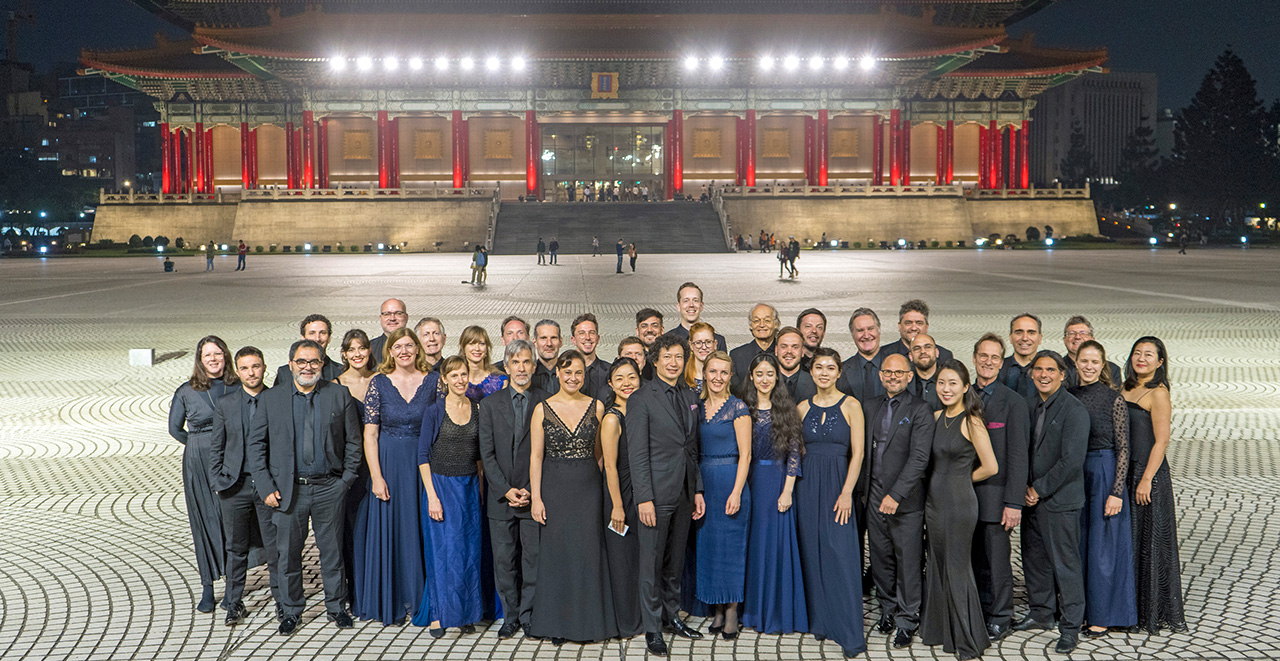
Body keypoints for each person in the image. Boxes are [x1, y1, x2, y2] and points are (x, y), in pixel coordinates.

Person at [246, 339, 363, 636]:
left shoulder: (339, 395)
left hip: (329, 488)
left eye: (314, 361)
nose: (307, 367)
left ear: (322, 364)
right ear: (291, 365)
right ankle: (290, 610)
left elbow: (354, 441)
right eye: (301, 361)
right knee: (287, 555)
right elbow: (256, 446)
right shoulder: (271, 399)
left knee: (332, 553)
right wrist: (265, 486)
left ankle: (336, 607)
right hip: (288, 491)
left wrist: (345, 481)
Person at [528, 351, 618, 644]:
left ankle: (589, 624)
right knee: (557, 555)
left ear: (585, 375)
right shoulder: (542, 409)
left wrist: (599, 486)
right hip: (554, 489)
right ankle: (558, 624)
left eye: (578, 372)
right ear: (558, 374)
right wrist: (537, 498)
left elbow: (600, 454)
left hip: (588, 489)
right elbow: (536, 457)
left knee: (588, 553)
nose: (573, 378)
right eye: (567, 372)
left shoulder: (597, 406)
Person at [352, 328, 438, 625]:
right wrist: (376, 476)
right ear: (389, 351)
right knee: (394, 528)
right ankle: (395, 598)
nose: (404, 351)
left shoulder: (434, 381)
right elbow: (370, 435)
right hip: (389, 463)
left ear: (417, 348)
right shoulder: (379, 383)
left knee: (420, 527)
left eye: (409, 345)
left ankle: (423, 597)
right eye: (398, 346)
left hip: (423, 462)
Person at [627, 334, 707, 656]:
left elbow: (692, 448)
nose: (673, 363)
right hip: (655, 495)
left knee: (674, 562)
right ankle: (652, 627)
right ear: (655, 360)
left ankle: (672, 616)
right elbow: (637, 453)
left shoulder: (690, 395)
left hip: (684, 490)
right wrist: (643, 497)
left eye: (678, 357)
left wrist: (697, 488)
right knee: (651, 563)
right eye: (667, 357)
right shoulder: (641, 398)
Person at [920, 361, 999, 660]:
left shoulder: (972, 420)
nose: (946, 389)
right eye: (941, 382)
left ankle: (968, 639)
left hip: (959, 502)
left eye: (953, 383)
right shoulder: (936, 417)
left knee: (957, 566)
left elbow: (991, 466)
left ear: (966, 387)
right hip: (934, 501)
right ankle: (941, 631)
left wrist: (962, 479)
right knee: (938, 563)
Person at [1013, 350, 1089, 655]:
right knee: (1034, 560)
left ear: (1062, 374)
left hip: (1059, 501)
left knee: (1065, 565)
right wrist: (1023, 488)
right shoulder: (1029, 405)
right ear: (1032, 373)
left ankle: (1071, 626)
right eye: (1039, 370)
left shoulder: (1074, 410)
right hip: (1031, 499)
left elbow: (1072, 461)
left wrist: (1038, 489)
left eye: (1050, 370)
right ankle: (1041, 612)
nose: (1044, 375)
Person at [793, 348, 866, 658]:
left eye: (830, 367)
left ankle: (849, 631)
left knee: (840, 553)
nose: (824, 372)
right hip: (807, 486)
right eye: (819, 367)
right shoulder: (801, 408)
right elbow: (794, 453)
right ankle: (820, 621)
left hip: (838, 484)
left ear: (839, 372)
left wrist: (847, 491)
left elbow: (858, 453)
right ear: (811, 372)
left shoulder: (851, 405)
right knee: (811, 551)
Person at [414, 356, 492, 637]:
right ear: (444, 379)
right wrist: (432, 497)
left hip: (469, 488)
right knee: (442, 553)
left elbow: (479, 455)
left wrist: (480, 487)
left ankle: (464, 613)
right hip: (441, 487)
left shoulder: (478, 408)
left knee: (468, 552)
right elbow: (423, 456)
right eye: (454, 375)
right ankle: (438, 614)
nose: (460, 380)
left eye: (463, 374)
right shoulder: (435, 411)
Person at [863, 352, 935, 648]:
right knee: (880, 557)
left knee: (908, 561)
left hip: (905, 500)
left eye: (899, 372)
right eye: (888, 372)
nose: (893, 377)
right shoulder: (870, 406)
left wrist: (896, 494)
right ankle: (888, 609)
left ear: (909, 376)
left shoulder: (921, 409)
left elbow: (919, 459)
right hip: (873, 495)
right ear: (881, 375)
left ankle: (907, 619)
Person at [1069, 340, 1137, 638]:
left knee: (1103, 549)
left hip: (1104, 472)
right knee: (1080, 544)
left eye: (1094, 362)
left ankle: (1104, 615)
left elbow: (1123, 449)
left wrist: (1116, 491)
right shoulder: (1069, 396)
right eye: (1084, 361)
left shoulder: (1113, 399)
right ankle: (1082, 610)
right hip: (1076, 473)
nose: (1089, 366)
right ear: (1075, 363)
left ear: (1103, 365)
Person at [478, 339, 546, 639]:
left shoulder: (545, 401)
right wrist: (506, 490)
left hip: (534, 496)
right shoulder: (490, 405)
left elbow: (548, 453)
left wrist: (530, 489)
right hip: (501, 497)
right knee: (504, 562)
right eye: (515, 362)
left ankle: (529, 615)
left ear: (534, 366)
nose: (521, 368)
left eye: (526, 362)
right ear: (506, 367)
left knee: (533, 560)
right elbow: (487, 454)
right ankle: (511, 616)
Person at [209, 346, 279, 625]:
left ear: (264, 368)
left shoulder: (276, 400)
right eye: (245, 368)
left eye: (256, 366)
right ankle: (233, 602)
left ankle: (283, 602)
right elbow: (217, 447)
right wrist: (218, 482)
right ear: (237, 372)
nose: (251, 373)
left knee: (275, 548)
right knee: (236, 549)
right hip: (234, 486)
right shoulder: (225, 404)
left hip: (268, 487)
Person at [1121, 337, 1187, 634]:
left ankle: (1149, 610)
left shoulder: (1158, 393)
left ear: (1160, 362)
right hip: (1125, 472)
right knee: (1130, 541)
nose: (1141, 358)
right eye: (1137, 353)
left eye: (1149, 354)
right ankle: (1126, 605)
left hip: (1148, 475)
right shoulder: (1124, 388)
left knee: (1149, 543)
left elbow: (1161, 441)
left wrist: (1146, 479)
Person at [169, 335, 238, 613]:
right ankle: (207, 586)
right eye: (207, 355)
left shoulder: (237, 386)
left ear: (226, 356)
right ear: (200, 359)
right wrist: (198, 446)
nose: (213, 359)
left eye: (217, 353)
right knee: (204, 521)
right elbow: (175, 429)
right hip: (199, 463)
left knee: (230, 520)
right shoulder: (186, 391)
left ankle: (234, 584)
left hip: (232, 460)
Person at [740, 353, 807, 635]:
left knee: (776, 547)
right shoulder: (742, 408)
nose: (764, 379)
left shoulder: (786, 409)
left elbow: (794, 453)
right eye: (759, 374)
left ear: (776, 377)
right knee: (753, 546)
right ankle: (752, 610)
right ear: (751, 377)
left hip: (777, 484)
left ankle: (776, 611)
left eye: (770, 374)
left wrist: (788, 491)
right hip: (749, 481)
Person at [969, 333, 1030, 642]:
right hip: (966, 498)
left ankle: (1001, 616)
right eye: (983, 355)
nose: (988, 362)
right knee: (974, 560)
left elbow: (1019, 456)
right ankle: (979, 611)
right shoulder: (962, 394)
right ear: (974, 358)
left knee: (997, 563)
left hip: (996, 498)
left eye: (995, 357)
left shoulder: (1013, 402)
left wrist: (1014, 502)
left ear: (1001, 362)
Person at [694, 352, 752, 639]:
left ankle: (732, 612)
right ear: (705, 374)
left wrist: (737, 491)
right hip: (705, 483)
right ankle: (716, 607)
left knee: (731, 549)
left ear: (730, 376)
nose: (717, 377)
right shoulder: (697, 407)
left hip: (730, 480)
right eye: (713, 371)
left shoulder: (738, 407)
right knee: (710, 549)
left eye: (723, 372)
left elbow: (746, 455)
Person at [600, 358, 645, 637]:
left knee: (639, 558)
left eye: (631, 377)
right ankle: (626, 622)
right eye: (619, 378)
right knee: (622, 559)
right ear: (610, 384)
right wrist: (617, 506)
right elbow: (609, 465)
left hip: (641, 490)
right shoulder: (612, 419)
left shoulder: (641, 410)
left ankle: (641, 617)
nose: (627, 383)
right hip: (621, 493)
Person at [335, 328, 375, 607]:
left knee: (377, 527)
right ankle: (355, 590)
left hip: (378, 464)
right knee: (351, 528)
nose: (357, 354)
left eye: (362, 348)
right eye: (351, 349)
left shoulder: (381, 380)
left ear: (369, 350)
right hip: (350, 467)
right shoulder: (336, 385)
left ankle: (377, 585)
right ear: (345, 354)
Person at [275, 314, 343, 386]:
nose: (317, 338)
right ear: (303, 337)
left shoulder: (340, 371)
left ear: (329, 338)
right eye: (312, 333)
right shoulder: (284, 372)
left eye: (322, 333)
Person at [836, 307, 887, 404]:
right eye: (860, 330)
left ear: (879, 330)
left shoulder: (897, 366)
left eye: (871, 329)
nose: (866, 335)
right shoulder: (841, 371)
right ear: (852, 334)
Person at [882, 299, 954, 364]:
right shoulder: (883, 354)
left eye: (919, 323)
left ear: (926, 327)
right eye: (908, 323)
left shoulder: (944, 355)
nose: (914, 328)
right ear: (900, 326)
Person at [730, 303, 779, 396]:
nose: (762, 325)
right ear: (751, 325)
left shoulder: (784, 354)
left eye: (767, 320)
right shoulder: (736, 355)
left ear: (776, 324)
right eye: (756, 321)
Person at [662, 282, 727, 351]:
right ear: (678, 306)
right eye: (686, 301)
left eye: (695, 300)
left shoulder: (718, 341)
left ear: (701, 306)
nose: (691, 305)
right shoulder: (666, 340)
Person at [1062, 315, 1123, 388]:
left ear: (1092, 339)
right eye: (1072, 333)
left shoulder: (1113, 369)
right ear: (1064, 340)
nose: (1077, 337)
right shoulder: (1057, 368)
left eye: (1083, 333)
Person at [458, 325, 508, 402]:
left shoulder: (500, 381)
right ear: (463, 347)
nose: (477, 348)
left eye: (481, 344)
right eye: (471, 343)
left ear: (487, 348)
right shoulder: (455, 380)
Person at [998, 313, 1043, 397]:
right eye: (1019, 333)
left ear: (1040, 338)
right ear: (1010, 338)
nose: (1025, 338)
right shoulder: (998, 369)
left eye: (1031, 333)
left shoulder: (1050, 372)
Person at [570, 312, 612, 398]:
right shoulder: (564, 372)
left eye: (592, 333)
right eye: (581, 333)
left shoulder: (611, 371)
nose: (587, 337)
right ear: (573, 340)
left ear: (598, 338)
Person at [774, 327, 816, 403]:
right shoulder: (764, 382)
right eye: (784, 347)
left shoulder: (814, 383)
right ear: (776, 350)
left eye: (795, 347)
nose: (789, 351)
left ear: (802, 352)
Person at [908, 333, 942, 410]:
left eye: (928, 347)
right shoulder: (904, 382)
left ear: (936, 353)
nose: (923, 351)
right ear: (910, 356)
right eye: (917, 348)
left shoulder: (949, 379)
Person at [369, 298, 409, 364]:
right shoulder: (369, 349)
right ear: (381, 318)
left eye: (398, 313)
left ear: (406, 317)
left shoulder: (418, 347)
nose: (392, 318)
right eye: (387, 314)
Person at [531, 319, 564, 394]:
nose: (549, 343)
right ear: (535, 342)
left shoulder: (571, 375)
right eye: (543, 338)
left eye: (553, 338)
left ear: (560, 342)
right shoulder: (528, 375)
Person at [684, 322, 719, 391]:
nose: (704, 347)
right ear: (691, 345)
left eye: (708, 342)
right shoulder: (682, 376)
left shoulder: (724, 376)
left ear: (715, 344)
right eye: (698, 343)